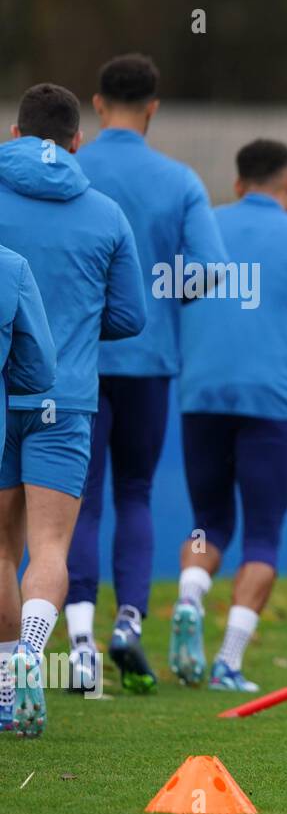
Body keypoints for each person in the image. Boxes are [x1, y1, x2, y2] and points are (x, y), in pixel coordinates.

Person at [65, 53, 228, 694]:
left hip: (77, 361)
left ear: (98, 105)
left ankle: (78, 643)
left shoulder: (73, 169)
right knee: (134, 493)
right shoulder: (179, 179)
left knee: (76, 499)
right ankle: (128, 622)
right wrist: (161, 301)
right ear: (154, 107)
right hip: (149, 360)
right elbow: (210, 270)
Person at [0, 83, 146, 736]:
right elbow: (130, 316)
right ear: (76, 141)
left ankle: (7, 680)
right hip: (67, 393)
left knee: (0, 548)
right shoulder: (106, 213)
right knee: (49, 545)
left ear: (14, 134)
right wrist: (74, 330)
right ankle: (35, 652)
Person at [170, 139, 287, 692]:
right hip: (269, 400)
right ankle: (228, 663)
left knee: (206, 522)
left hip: (200, 395)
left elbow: (178, 300)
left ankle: (190, 595)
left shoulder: (204, 226)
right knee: (262, 535)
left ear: (238, 184)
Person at [0, 247, 58, 735]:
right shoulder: (11, 266)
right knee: (39, 549)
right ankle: (26, 656)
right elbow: (38, 369)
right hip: (64, 410)